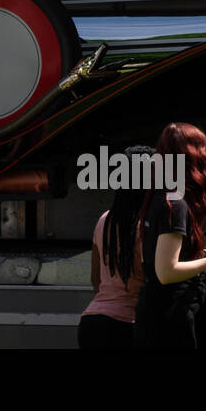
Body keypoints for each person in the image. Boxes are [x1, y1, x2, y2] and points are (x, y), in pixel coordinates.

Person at [134, 123, 206, 349]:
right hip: (176, 313)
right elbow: (166, 272)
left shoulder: (158, 197)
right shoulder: (175, 204)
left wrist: (195, 257)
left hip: (156, 310)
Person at [78, 145, 153, 349]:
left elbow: (96, 279)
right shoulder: (147, 226)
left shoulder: (104, 220)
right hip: (129, 325)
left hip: (92, 322)